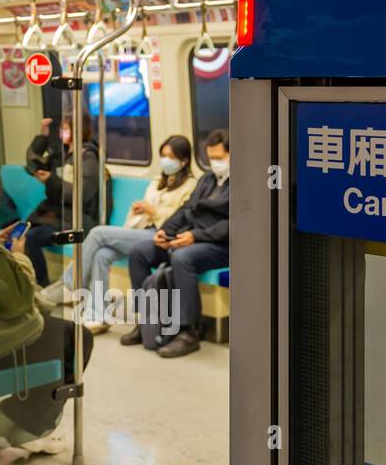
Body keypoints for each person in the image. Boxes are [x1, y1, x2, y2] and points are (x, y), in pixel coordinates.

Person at [40, 134, 197, 332]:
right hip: (141, 230)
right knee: (101, 255)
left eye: (170, 156)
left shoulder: (190, 186)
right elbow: (145, 211)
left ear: (183, 160)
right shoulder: (158, 182)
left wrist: (153, 211)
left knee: (97, 233)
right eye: (163, 155)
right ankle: (98, 315)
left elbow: (180, 218)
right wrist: (140, 210)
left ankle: (69, 283)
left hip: (160, 235)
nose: (166, 160)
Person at [0, 220, 94, 452]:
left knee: (67, 332)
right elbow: (17, 304)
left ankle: (13, 415)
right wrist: (19, 257)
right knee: (79, 339)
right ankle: (32, 426)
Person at [122, 128, 230, 358]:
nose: (214, 163)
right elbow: (186, 210)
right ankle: (147, 320)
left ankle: (188, 330)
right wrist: (165, 232)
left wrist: (195, 237)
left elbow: (233, 223)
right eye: (211, 158)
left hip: (222, 244)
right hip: (190, 236)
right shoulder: (207, 179)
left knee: (183, 258)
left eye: (219, 158)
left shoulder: (245, 184)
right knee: (139, 252)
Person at [21, 111, 107, 285]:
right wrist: (42, 138)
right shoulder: (63, 154)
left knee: (31, 238)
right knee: (22, 233)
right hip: (59, 214)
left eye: (66, 128)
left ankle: (42, 284)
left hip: (77, 218)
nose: (62, 132)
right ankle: (35, 284)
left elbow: (81, 194)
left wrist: (51, 180)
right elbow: (32, 163)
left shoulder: (88, 157)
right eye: (61, 128)